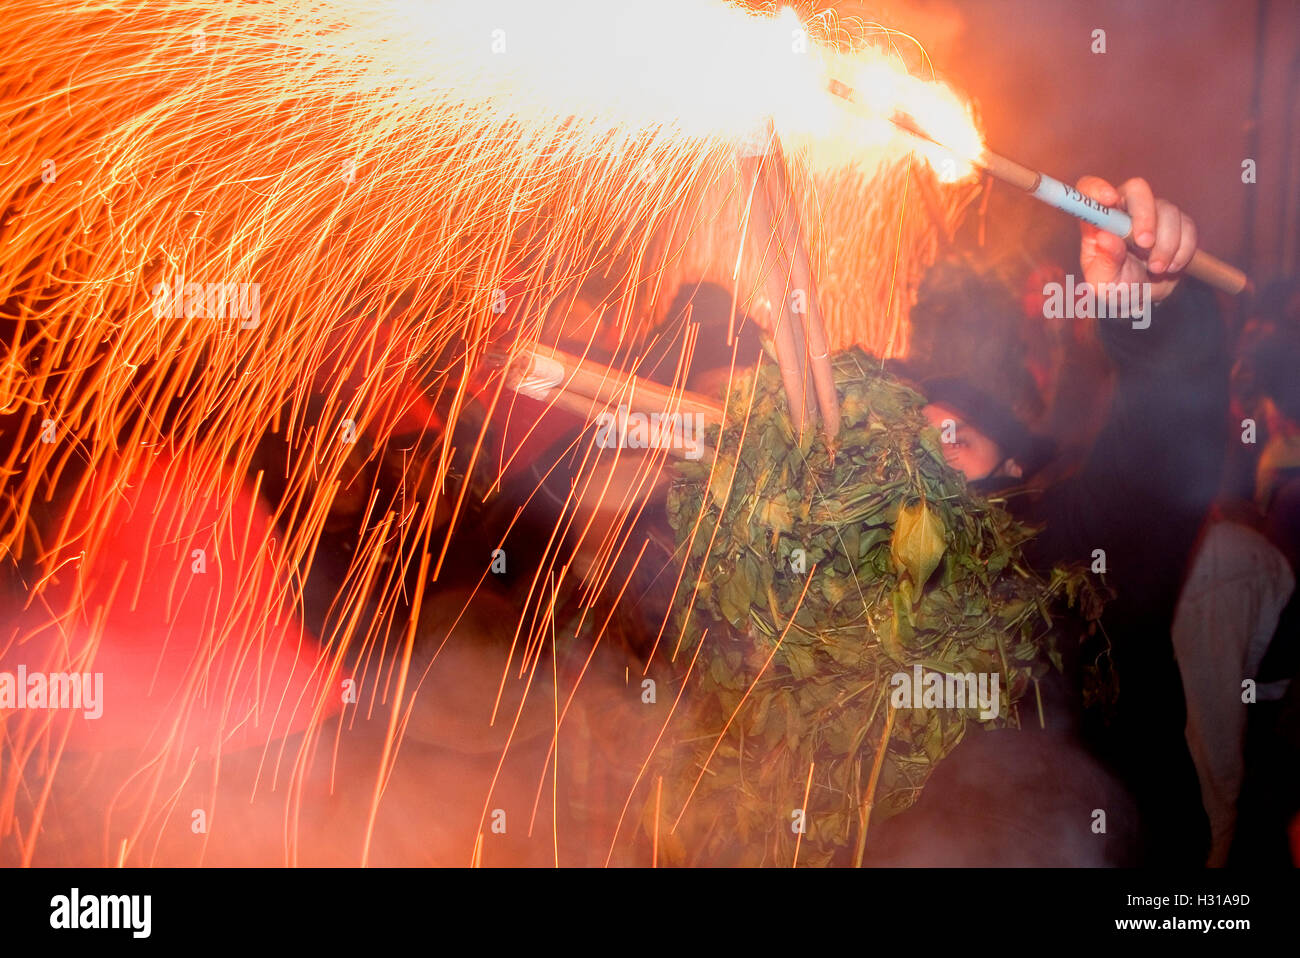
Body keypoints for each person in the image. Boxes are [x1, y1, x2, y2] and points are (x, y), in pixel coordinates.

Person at [910, 175, 1228, 865]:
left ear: (1017, 471)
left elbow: (1156, 460)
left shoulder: (1070, 550)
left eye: (957, 441)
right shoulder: (876, 587)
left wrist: (1155, 315)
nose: (930, 470)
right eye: (914, 450)